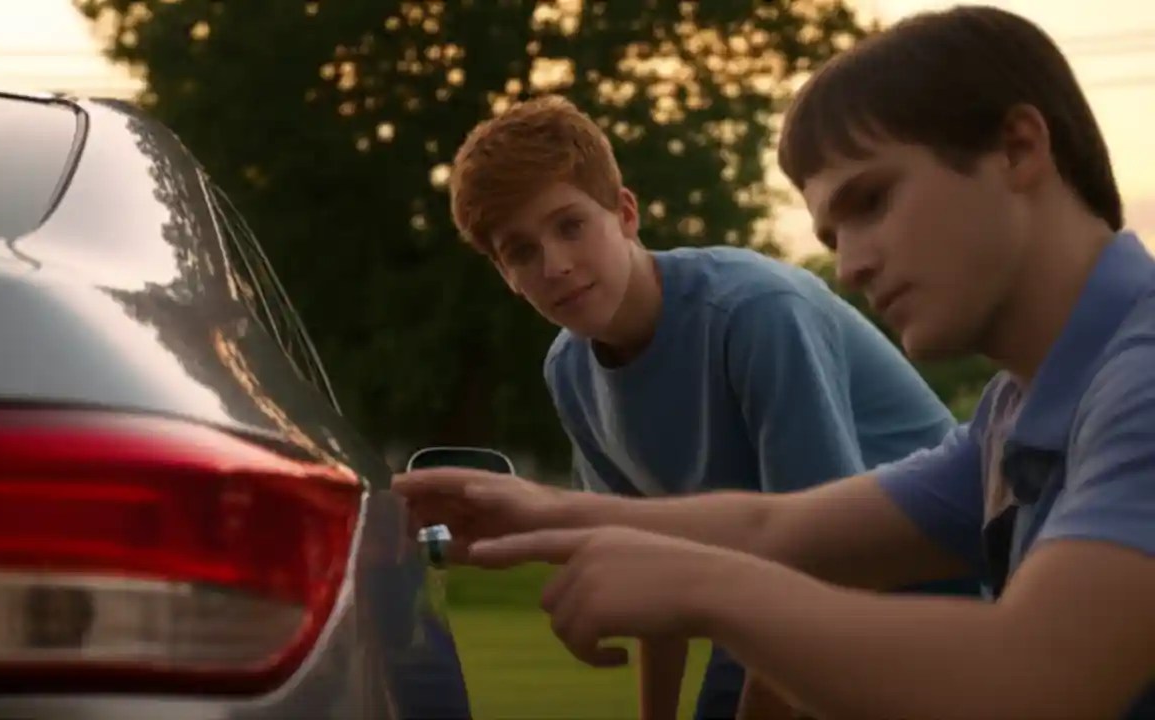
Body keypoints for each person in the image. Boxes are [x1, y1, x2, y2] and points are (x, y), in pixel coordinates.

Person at [397, 5, 1155, 719]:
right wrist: (549, 509)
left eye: (873, 202)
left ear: (1018, 150)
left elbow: (1039, 678)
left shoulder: (1142, 376)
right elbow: (778, 528)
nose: (850, 267)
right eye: (831, 235)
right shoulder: (1008, 412)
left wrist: (697, 584)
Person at [443, 93, 978, 719]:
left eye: (570, 226)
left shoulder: (756, 313)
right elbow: (649, 564)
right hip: (765, 587)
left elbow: (827, 565)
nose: (555, 266)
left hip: (930, 589)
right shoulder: (569, 370)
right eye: (521, 252)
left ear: (624, 212)